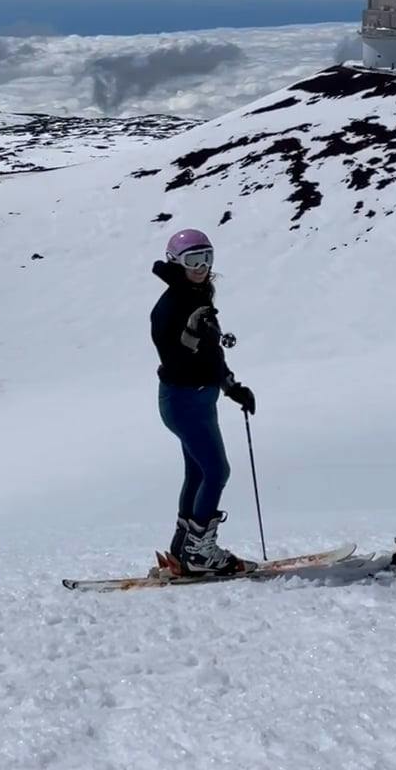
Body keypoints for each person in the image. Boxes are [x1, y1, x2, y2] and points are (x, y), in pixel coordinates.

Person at [151, 228, 259, 575]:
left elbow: (210, 353)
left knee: (198, 472)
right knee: (216, 471)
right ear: (176, 263)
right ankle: (199, 553)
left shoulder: (198, 294)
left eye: (207, 257)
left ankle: (183, 549)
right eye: (193, 260)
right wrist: (192, 334)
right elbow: (174, 359)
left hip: (199, 398)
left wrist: (230, 386)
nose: (202, 266)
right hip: (183, 400)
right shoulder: (169, 307)